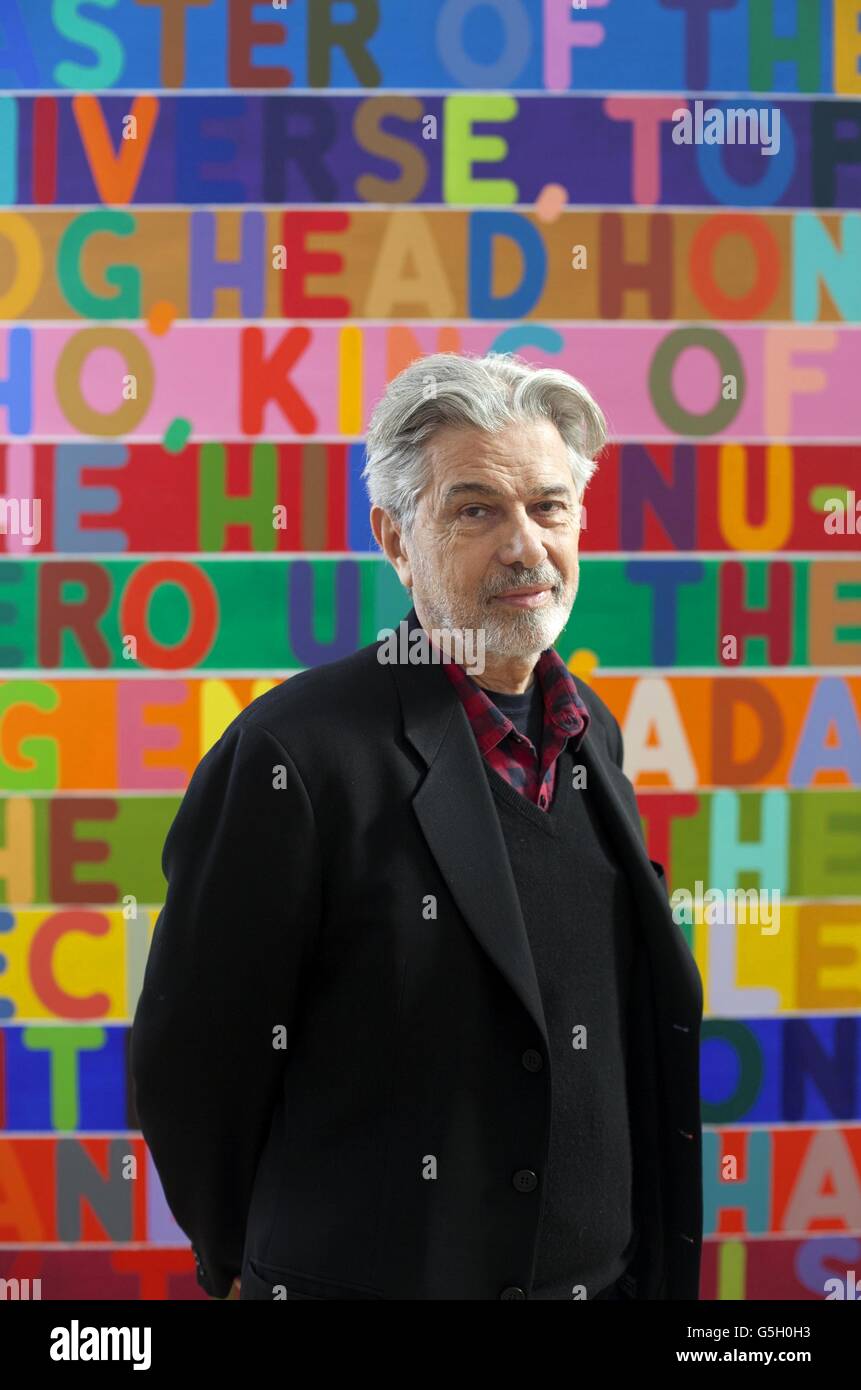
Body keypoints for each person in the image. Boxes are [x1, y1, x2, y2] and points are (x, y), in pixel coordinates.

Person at [130, 351, 703, 1301]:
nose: (524, 546)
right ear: (395, 538)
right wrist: (242, 1267)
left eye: (549, 507)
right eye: (475, 509)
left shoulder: (589, 730)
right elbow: (194, 1062)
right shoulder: (292, 755)